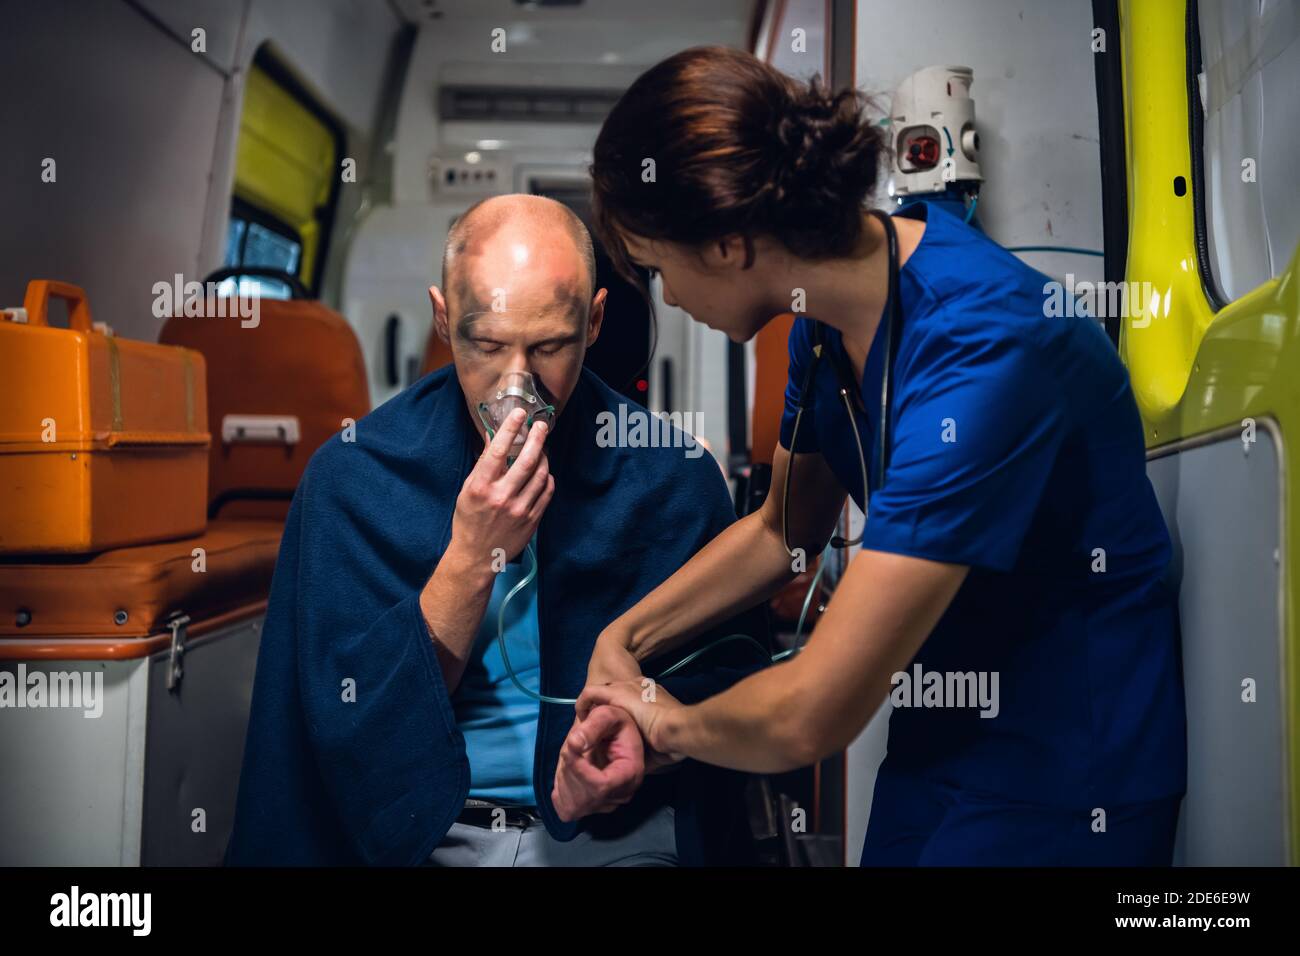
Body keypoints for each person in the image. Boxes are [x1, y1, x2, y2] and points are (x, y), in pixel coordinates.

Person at [570, 46, 1187, 865]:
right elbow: (781, 533)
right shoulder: (822, 329)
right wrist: (623, 641)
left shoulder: (985, 347)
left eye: (658, 270)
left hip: (1071, 762)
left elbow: (809, 714)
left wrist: (661, 722)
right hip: (940, 738)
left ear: (724, 243)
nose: (671, 298)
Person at [226, 194, 764, 866]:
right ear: (444, 319)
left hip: (615, 835)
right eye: (486, 345)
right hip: (420, 829)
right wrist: (471, 558)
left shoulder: (671, 477)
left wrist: (643, 739)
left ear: (594, 322)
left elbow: (734, 676)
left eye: (549, 347)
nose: (517, 387)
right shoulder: (356, 475)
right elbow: (345, 729)